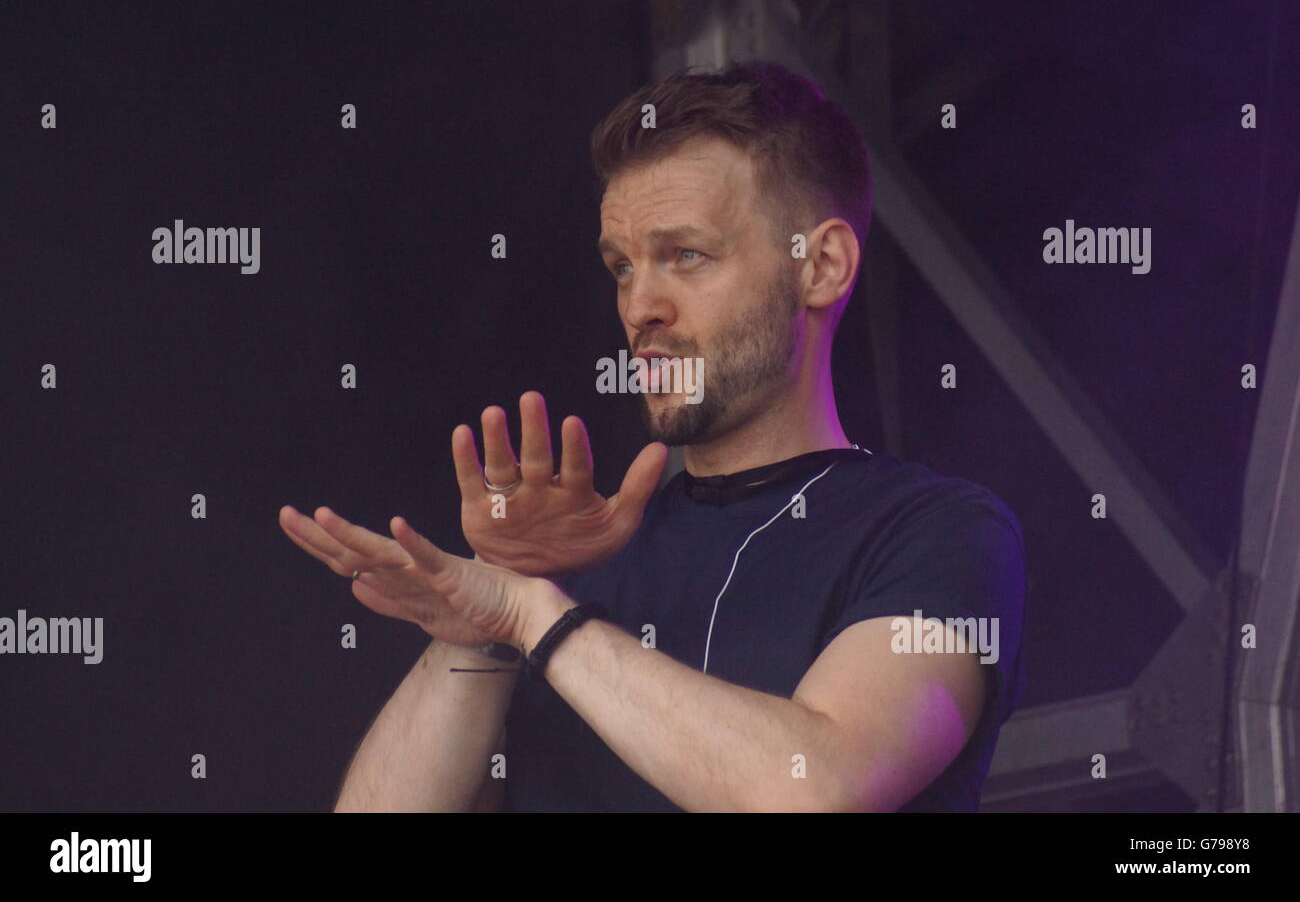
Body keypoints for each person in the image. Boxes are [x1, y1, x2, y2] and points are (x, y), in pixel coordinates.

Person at [279, 60, 1026, 812]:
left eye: (686, 256)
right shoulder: (573, 565)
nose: (640, 307)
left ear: (822, 266)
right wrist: (484, 613)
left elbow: (813, 791)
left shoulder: (941, 534)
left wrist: (535, 616)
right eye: (622, 267)